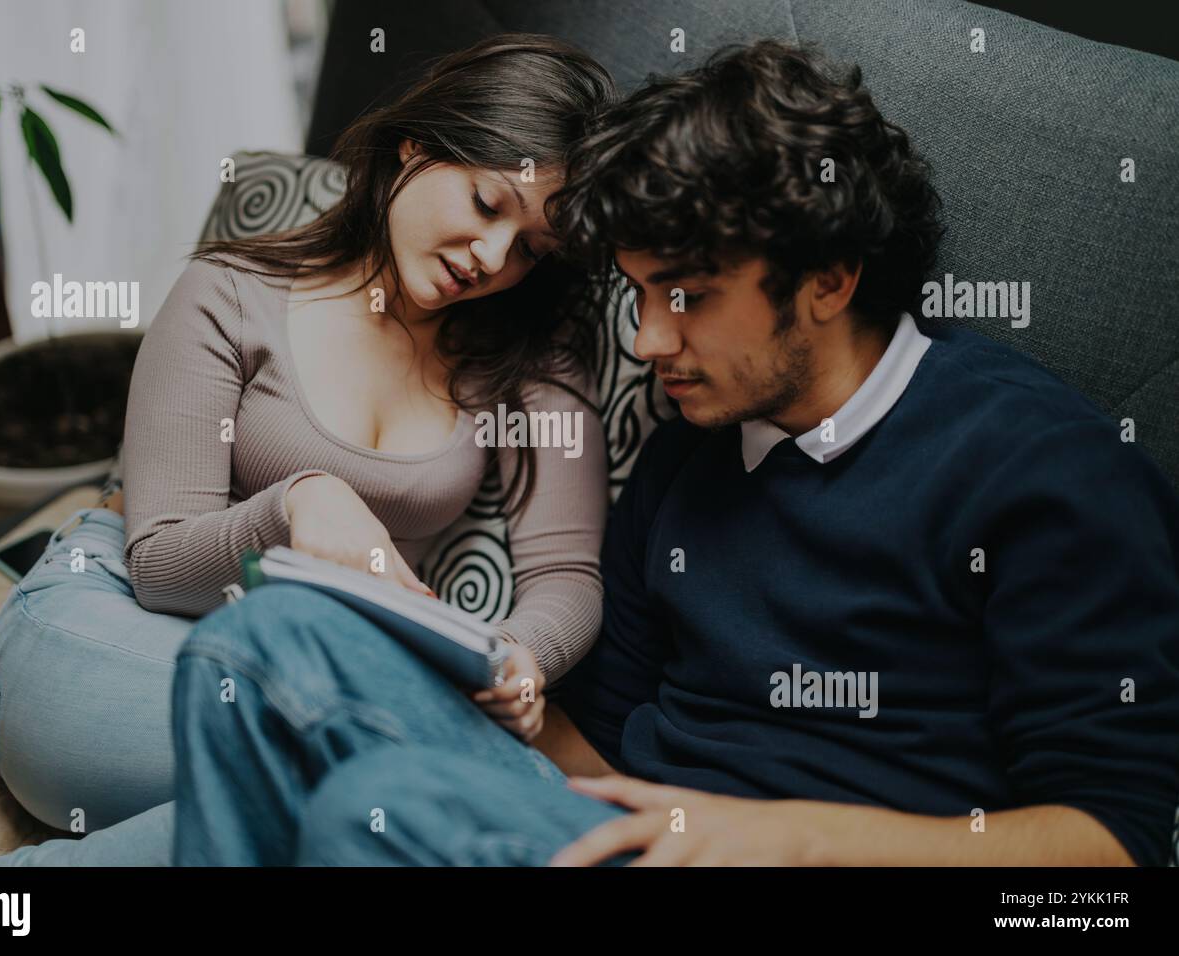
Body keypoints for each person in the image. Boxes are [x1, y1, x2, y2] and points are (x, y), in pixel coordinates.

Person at [164, 39, 1179, 866]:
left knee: (377, 808)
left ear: (825, 280)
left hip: (807, 850)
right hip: (621, 819)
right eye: (638, 295)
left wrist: (778, 835)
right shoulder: (686, 448)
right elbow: (594, 744)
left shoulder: (1044, 468)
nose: (645, 342)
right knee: (263, 641)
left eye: (685, 295)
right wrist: (475, 671)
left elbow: (1116, 840)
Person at [0, 33, 617, 866]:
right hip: (104, 631)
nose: (494, 259)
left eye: (531, 248)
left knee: (356, 807)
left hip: (313, 683)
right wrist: (297, 504)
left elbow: (565, 575)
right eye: (487, 205)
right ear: (417, 146)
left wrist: (522, 655)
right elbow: (160, 562)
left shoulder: (528, 356)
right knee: (369, 763)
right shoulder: (232, 296)